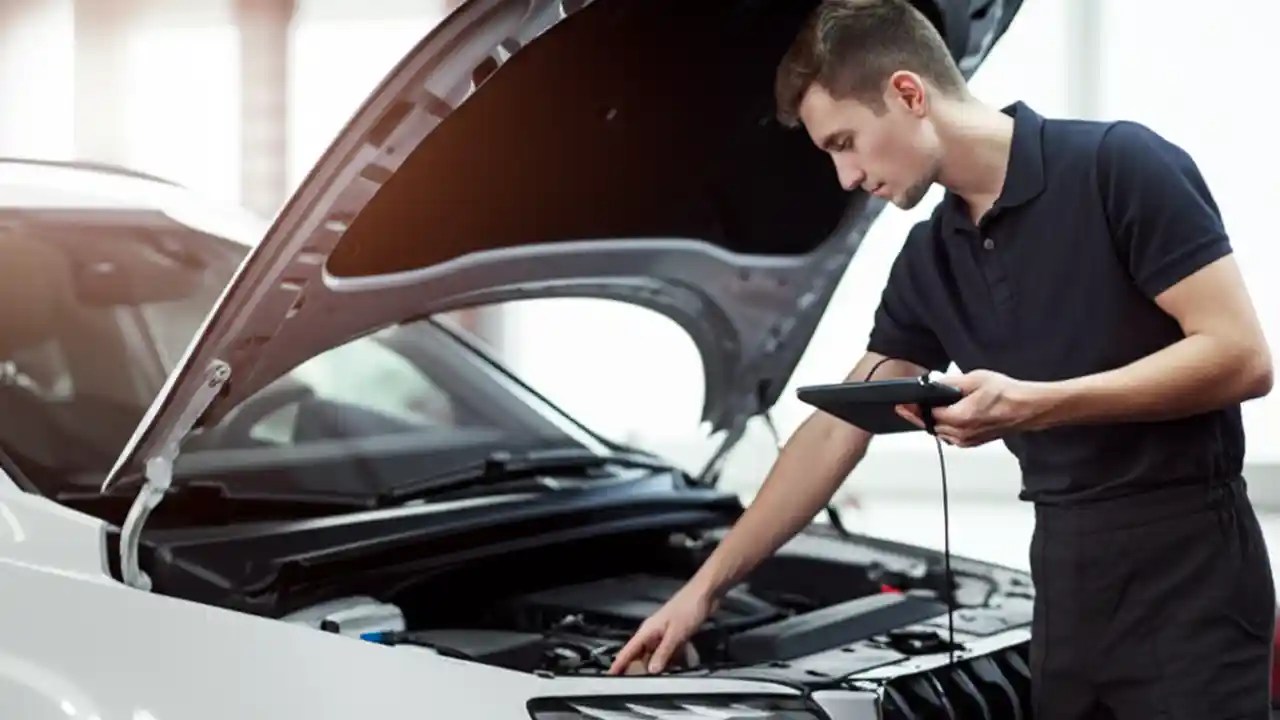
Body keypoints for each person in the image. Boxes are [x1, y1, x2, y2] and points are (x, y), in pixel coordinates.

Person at [607, 0, 1276, 717]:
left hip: (1191, 576)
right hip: (1066, 583)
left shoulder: (1119, 166)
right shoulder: (930, 257)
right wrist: (702, 592)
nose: (846, 177)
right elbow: (837, 428)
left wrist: (1037, 404)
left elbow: (1241, 358)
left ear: (907, 93)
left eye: (846, 142)